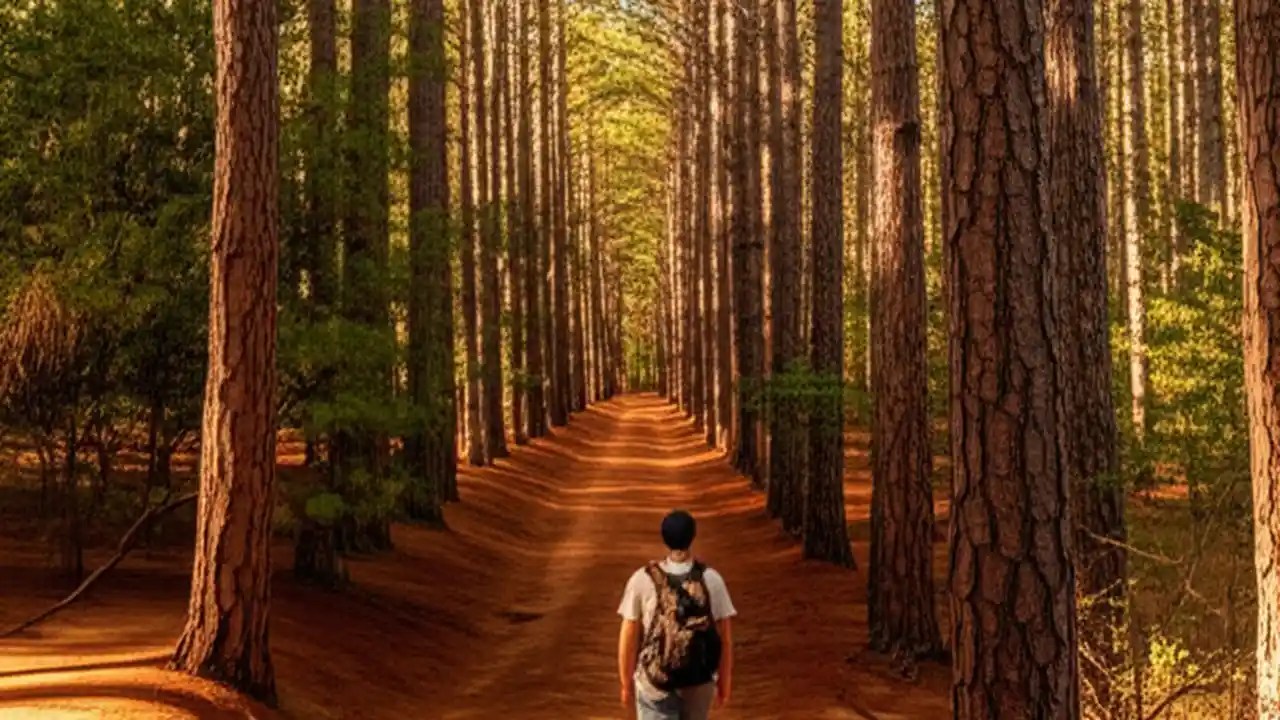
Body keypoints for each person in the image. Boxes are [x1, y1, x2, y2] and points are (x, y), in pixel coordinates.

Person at [617, 509, 736, 720]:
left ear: (664, 538)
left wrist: (626, 682)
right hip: (698, 681)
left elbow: (629, 635)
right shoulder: (711, 580)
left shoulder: (642, 579)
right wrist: (724, 683)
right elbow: (724, 638)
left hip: (655, 683)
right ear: (692, 537)